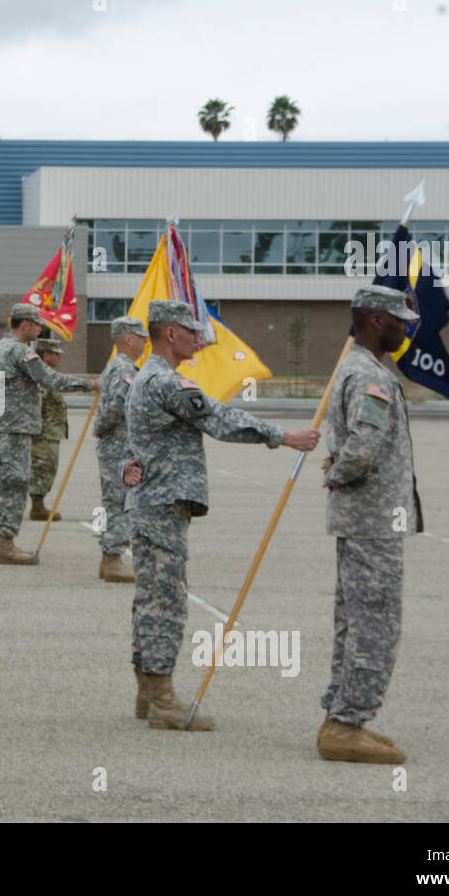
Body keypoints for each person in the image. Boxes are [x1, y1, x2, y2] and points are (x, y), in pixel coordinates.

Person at [121, 300, 320, 731]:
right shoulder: (165, 381)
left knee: (150, 599)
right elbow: (218, 418)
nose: (199, 338)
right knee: (165, 603)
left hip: (152, 503)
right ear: (170, 333)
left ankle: (148, 693)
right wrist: (284, 436)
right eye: (192, 331)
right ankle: (162, 699)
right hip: (161, 506)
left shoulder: (146, 378)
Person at [317, 286, 421, 765]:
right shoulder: (369, 376)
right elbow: (363, 447)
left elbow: (353, 445)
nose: (407, 326)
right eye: (400, 319)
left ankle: (342, 717)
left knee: (354, 621)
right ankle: (346, 724)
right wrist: (338, 474)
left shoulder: (360, 368)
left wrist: (338, 469)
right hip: (373, 521)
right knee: (374, 624)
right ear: (377, 320)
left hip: (364, 520)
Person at [0, 303, 95, 565]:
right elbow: (50, 380)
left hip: (0, 426)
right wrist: (91, 384)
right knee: (15, 483)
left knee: (7, 483)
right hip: (15, 428)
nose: (40, 328)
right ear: (25, 325)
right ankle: (5, 544)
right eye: (37, 323)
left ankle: (5, 541)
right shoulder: (20, 352)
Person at [93, 317, 148, 583]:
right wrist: (101, 428)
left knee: (113, 501)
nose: (145, 342)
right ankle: (113, 558)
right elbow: (114, 407)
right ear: (128, 339)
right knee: (118, 502)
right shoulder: (123, 369)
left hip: (115, 445)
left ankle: (109, 558)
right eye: (141, 337)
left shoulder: (116, 367)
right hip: (117, 446)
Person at [28, 339, 70, 521]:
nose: (58, 357)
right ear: (46, 355)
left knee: (48, 468)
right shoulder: (41, 376)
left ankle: (39, 504)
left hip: (51, 431)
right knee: (43, 468)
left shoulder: (48, 374)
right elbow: (37, 401)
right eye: (55, 354)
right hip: (43, 432)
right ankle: (37, 507)